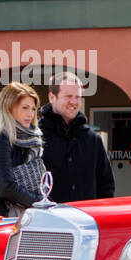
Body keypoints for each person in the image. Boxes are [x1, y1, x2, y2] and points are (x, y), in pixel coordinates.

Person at [38, 72, 115, 203]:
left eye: (77, 97)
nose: (73, 102)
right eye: (68, 96)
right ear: (52, 97)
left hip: (85, 219)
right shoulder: (36, 136)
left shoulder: (93, 139)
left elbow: (106, 186)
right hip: (48, 219)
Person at [0, 82, 46, 217]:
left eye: (33, 109)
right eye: (25, 108)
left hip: (28, 213)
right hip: (2, 215)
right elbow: (5, 187)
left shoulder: (32, 140)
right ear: (8, 108)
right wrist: (39, 203)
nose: (30, 114)